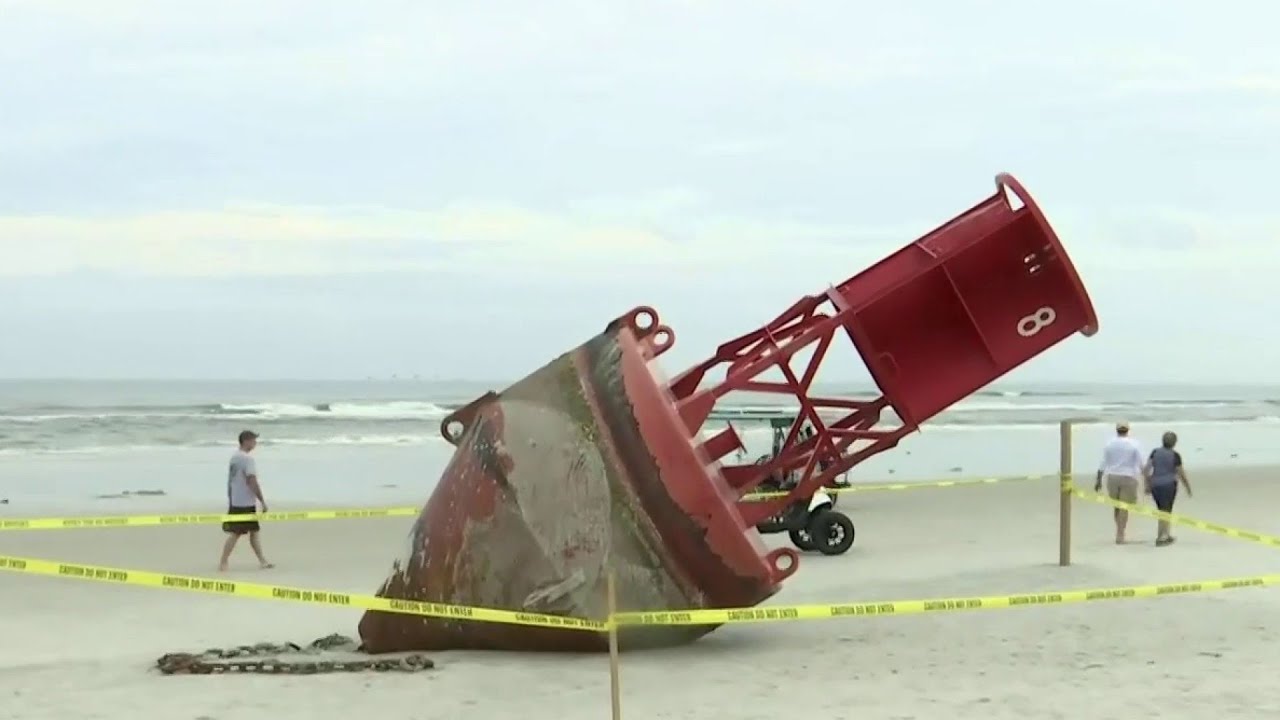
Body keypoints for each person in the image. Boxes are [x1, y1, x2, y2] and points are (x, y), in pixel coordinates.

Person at [219, 430, 274, 571]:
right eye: (253, 440)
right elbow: (252, 480)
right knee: (236, 533)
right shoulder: (247, 459)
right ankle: (223, 562)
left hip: (236, 500)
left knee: (254, 531)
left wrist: (230, 497)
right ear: (246, 441)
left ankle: (262, 560)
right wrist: (262, 500)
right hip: (245, 502)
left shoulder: (234, 458)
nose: (255, 443)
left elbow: (231, 481)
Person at [1094, 421, 1144, 544]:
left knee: (1117, 506)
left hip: (1112, 476)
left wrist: (1098, 480)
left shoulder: (1109, 444)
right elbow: (1140, 462)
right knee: (1124, 507)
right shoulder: (1134, 444)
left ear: (1117, 430)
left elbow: (1103, 463)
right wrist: (1147, 478)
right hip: (1128, 476)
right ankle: (1120, 534)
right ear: (1128, 430)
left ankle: (1119, 531)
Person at [1144, 431, 1192, 546]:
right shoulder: (1175, 455)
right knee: (1166, 510)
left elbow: (1146, 470)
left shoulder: (1155, 452)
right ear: (1174, 443)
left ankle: (1164, 533)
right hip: (1169, 485)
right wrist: (1188, 487)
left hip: (1156, 484)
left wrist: (1147, 484)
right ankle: (1162, 537)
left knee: (1162, 509)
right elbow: (1181, 473)